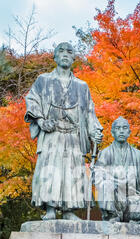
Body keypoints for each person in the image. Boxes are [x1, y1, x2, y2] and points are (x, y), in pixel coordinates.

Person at [24, 42, 103, 220]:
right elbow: (32, 100)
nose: (65, 54)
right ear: (55, 56)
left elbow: (89, 112)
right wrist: (41, 121)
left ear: (74, 58)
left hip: (74, 135)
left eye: (69, 51)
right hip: (52, 133)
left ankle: (69, 211)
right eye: (61, 51)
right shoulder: (43, 80)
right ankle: (50, 209)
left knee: (73, 172)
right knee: (50, 170)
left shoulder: (82, 86)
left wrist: (95, 131)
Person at [95, 116, 140, 224]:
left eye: (124, 128)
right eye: (118, 128)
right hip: (114, 202)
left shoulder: (138, 155)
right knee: (108, 186)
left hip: (133, 203)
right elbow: (97, 178)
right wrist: (114, 184)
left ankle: (132, 226)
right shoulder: (105, 154)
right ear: (112, 133)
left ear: (129, 132)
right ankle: (113, 218)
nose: (121, 131)